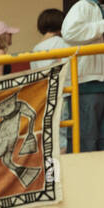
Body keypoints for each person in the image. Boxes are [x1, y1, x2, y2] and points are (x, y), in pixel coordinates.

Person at [64, 0, 104, 152]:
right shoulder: (83, 6)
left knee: (100, 142)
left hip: (99, 82)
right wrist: (101, 26)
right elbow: (69, 32)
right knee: (86, 141)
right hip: (86, 83)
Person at [31, 8, 73, 151]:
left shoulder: (36, 48)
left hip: (45, 97)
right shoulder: (62, 43)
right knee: (64, 135)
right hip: (63, 94)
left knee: (51, 134)